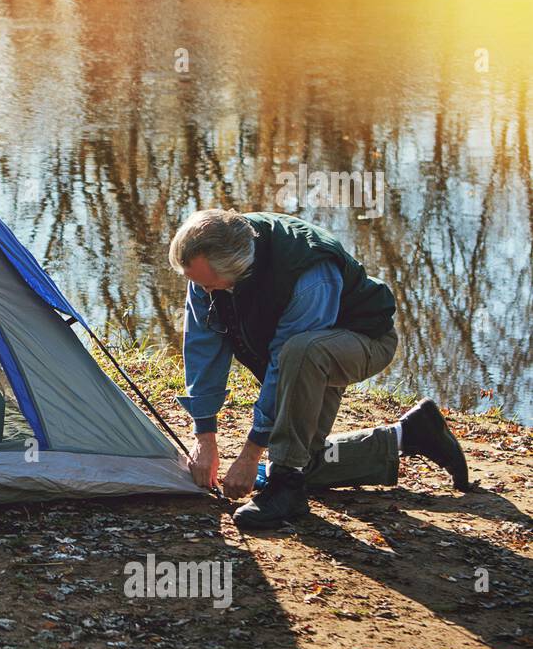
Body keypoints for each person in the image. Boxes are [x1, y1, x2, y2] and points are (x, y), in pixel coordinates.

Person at [169, 209, 471, 529]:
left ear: (239, 267)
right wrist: (204, 435)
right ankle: (410, 435)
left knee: (300, 357)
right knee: (304, 460)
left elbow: (284, 362)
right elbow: (204, 346)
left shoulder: (308, 274)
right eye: (196, 283)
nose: (203, 292)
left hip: (361, 340)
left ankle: (285, 488)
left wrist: (251, 454)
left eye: (210, 285)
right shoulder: (207, 264)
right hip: (305, 356)